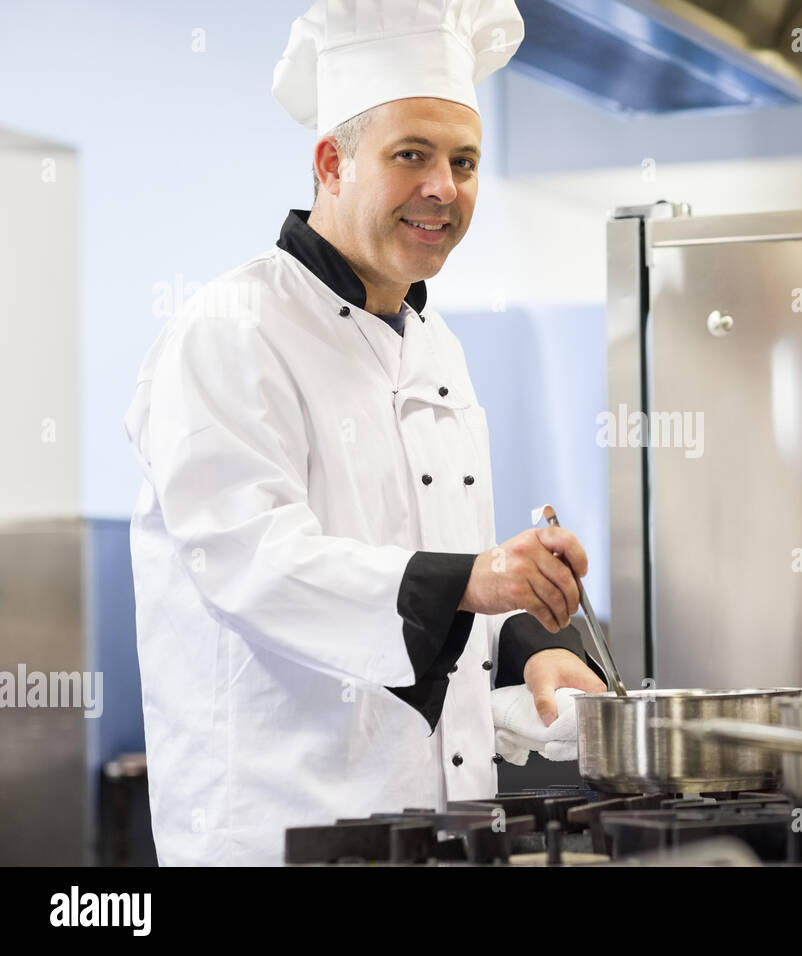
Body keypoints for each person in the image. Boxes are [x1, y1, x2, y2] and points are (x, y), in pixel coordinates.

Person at [123, 0, 605, 866]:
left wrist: (533, 646)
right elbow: (255, 563)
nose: (442, 189)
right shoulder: (231, 330)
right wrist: (481, 578)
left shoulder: (437, 348)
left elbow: (440, 574)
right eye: (410, 156)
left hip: (441, 824)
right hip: (278, 832)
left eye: (464, 162)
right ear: (331, 164)